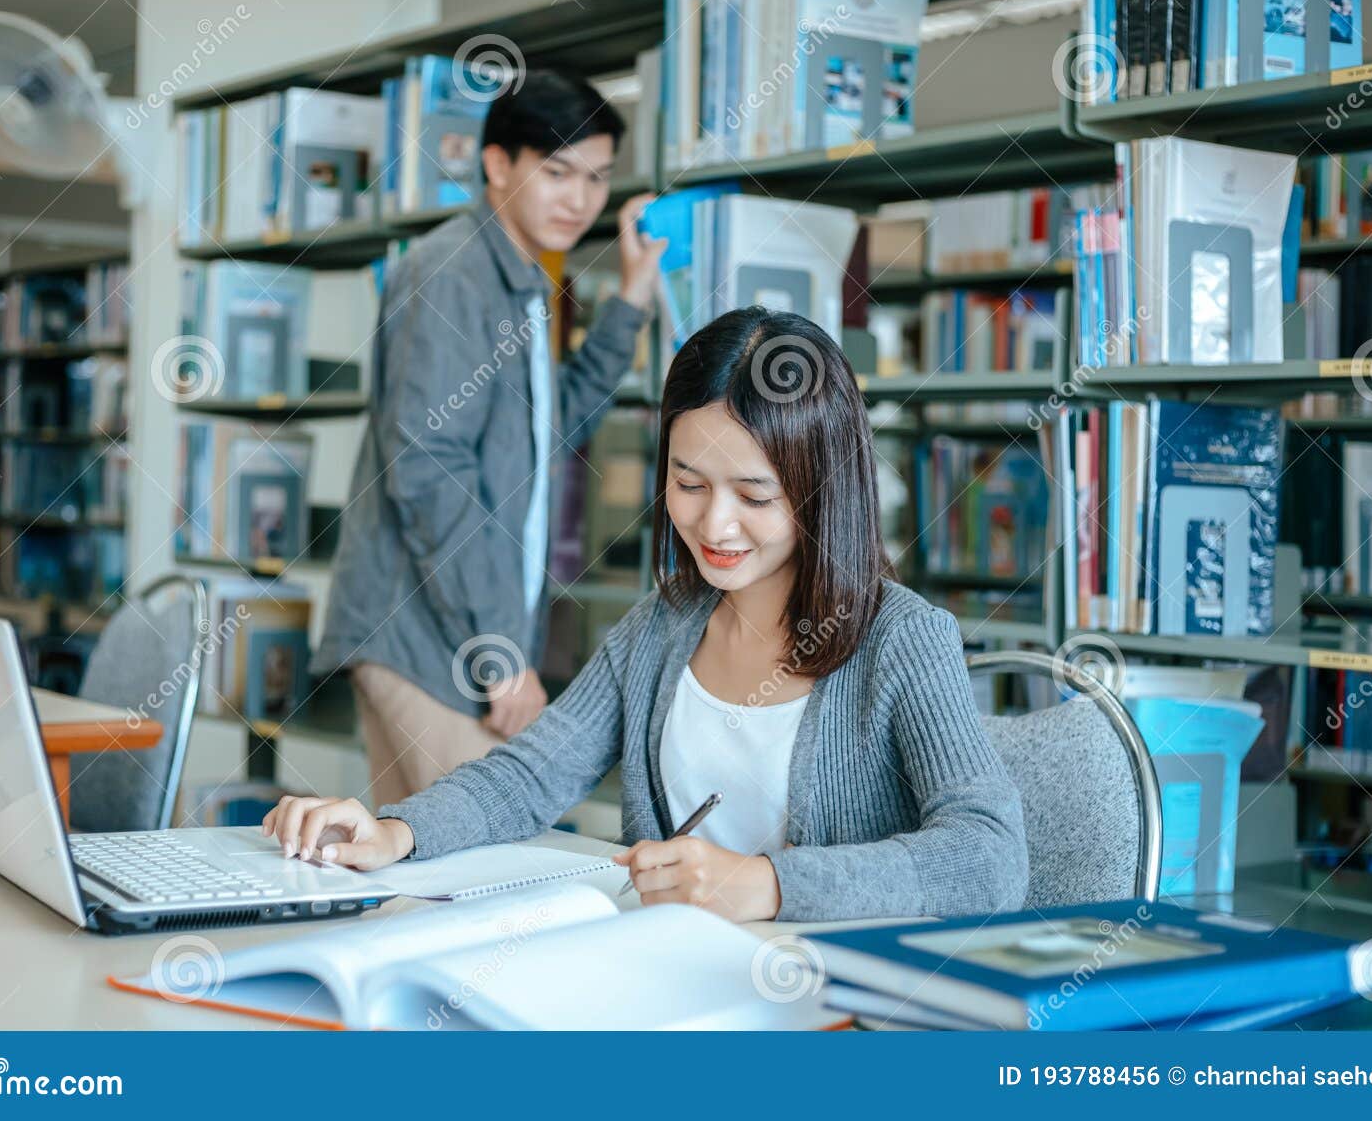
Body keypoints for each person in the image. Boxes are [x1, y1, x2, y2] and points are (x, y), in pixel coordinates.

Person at [272, 307, 1030, 923]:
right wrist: (396, 832)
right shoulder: (660, 626)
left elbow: (991, 857)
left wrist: (764, 885)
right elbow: (529, 775)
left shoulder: (902, 638)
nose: (715, 525)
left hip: (826, 1004)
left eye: (755, 496)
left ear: (821, 491)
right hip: (668, 984)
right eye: (688, 482)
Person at [312, 68, 666, 807]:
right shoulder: (453, 275)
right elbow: (427, 467)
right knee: (488, 861)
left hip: (450, 636)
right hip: (426, 641)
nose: (580, 199)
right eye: (559, 171)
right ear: (498, 163)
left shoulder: (522, 277)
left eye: (598, 178)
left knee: (422, 883)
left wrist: (630, 297)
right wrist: (497, 646)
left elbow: (556, 423)